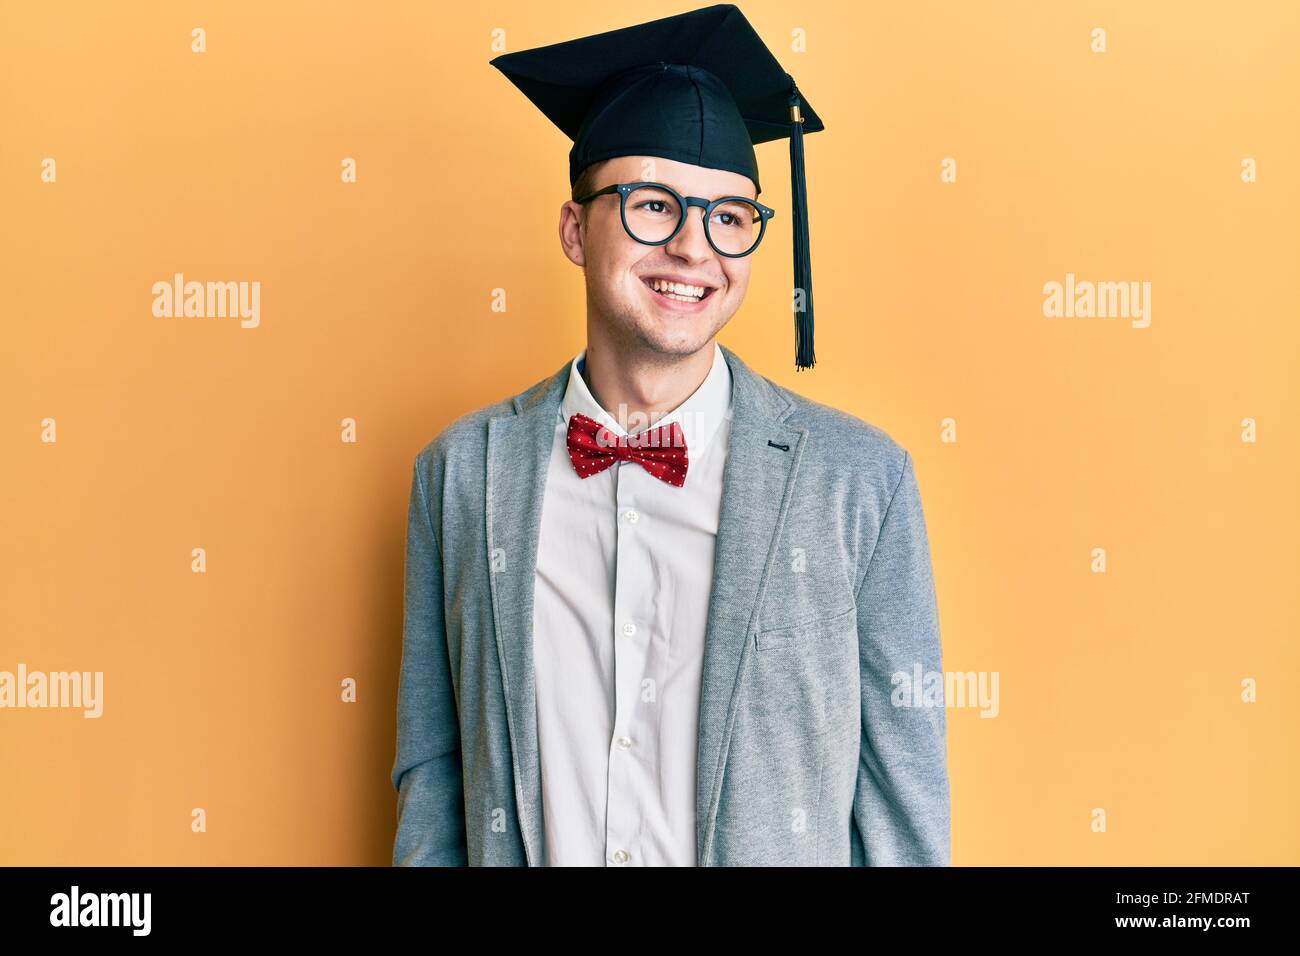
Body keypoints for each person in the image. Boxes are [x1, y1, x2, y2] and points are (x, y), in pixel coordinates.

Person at [391, 3, 950, 866]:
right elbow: (434, 778)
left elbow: (903, 813)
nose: (694, 247)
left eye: (730, 217)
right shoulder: (460, 474)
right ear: (577, 230)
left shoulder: (860, 483)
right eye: (653, 205)